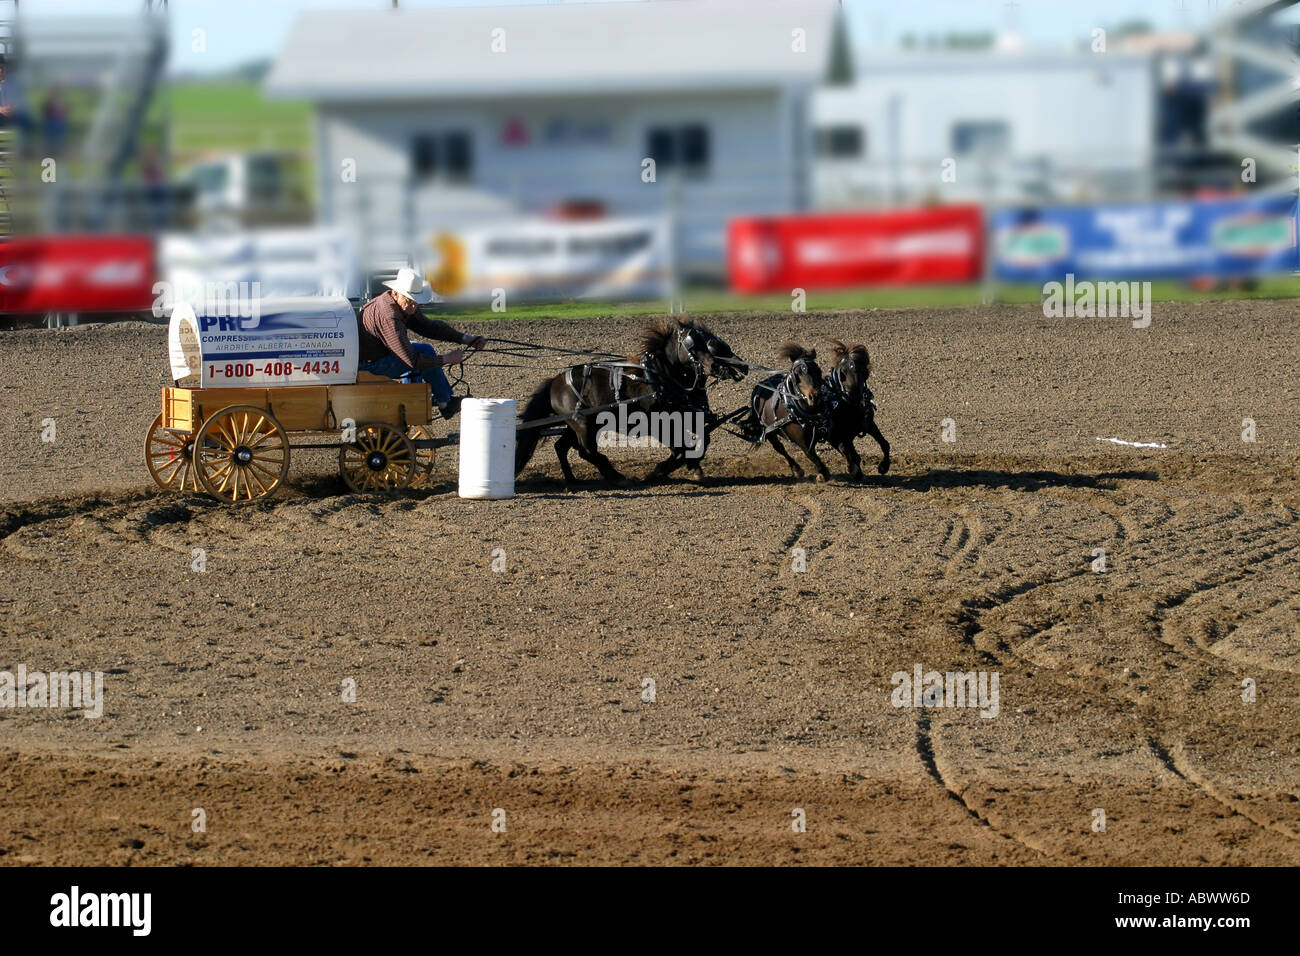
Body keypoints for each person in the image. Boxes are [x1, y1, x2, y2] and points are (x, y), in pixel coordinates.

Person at [357, 268, 487, 418]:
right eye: (409, 300)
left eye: (416, 302)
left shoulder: (399, 305)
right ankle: (445, 402)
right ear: (395, 293)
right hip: (369, 366)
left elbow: (428, 327)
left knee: (419, 348)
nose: (413, 306)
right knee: (424, 351)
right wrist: (447, 359)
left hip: (371, 359)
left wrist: (466, 339)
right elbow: (411, 360)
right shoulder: (389, 316)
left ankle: (411, 397)